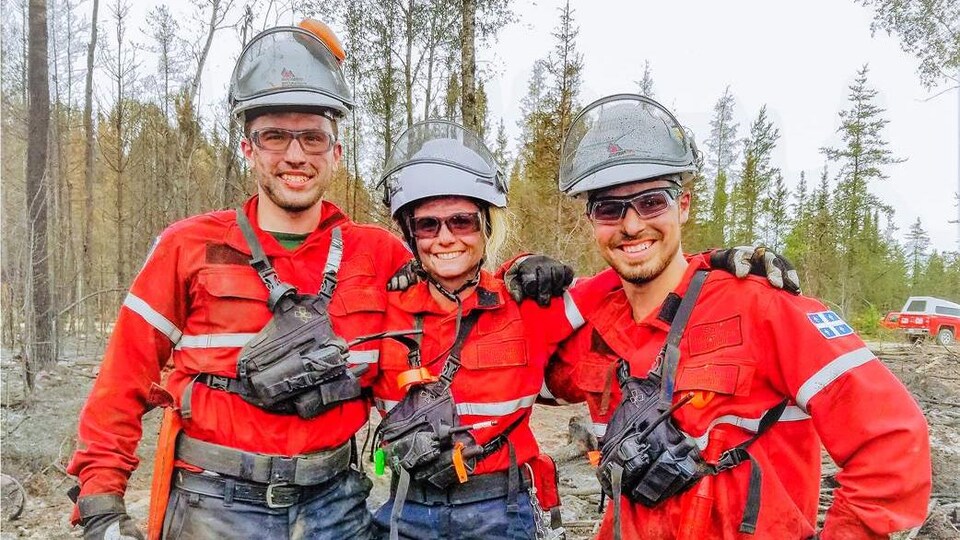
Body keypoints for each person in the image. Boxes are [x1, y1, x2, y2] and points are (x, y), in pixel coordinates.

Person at [367, 120, 802, 540]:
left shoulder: (526, 306)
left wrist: (717, 260)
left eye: (461, 222)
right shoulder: (381, 310)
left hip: (500, 511)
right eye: (427, 225)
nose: (445, 238)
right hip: (405, 508)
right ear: (410, 234)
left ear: (485, 228)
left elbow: (636, 265)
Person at [66, 22, 412, 540]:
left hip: (337, 505)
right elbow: (123, 377)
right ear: (249, 148)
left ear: (336, 153)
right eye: (275, 136)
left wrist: (521, 272)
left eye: (313, 137)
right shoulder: (189, 247)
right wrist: (101, 501)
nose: (295, 155)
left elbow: (464, 291)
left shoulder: (378, 253)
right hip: (215, 508)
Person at [544, 93, 932, 539]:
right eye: (610, 209)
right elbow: (501, 374)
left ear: (683, 205)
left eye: (651, 202)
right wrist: (518, 273)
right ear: (592, 222)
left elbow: (893, 443)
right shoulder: (597, 328)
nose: (631, 226)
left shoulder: (762, 308)